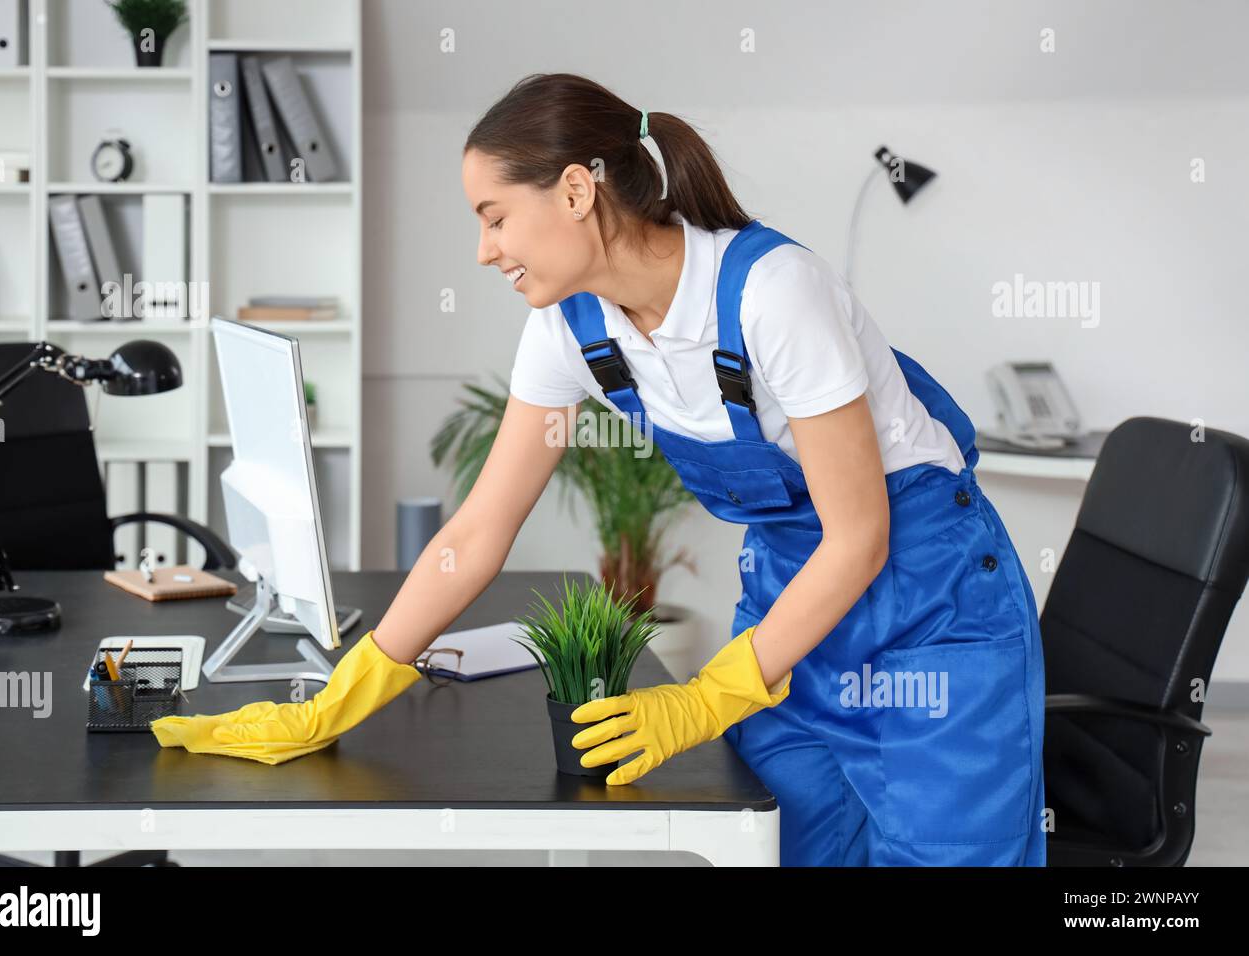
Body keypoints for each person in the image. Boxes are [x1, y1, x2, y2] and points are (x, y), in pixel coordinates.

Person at [152, 73, 1046, 867]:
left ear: (576, 190)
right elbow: (477, 530)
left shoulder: (775, 292)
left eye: (494, 216)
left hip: (931, 612)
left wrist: (705, 697)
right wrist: (341, 696)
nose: (484, 250)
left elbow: (859, 537)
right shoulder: (570, 329)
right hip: (793, 609)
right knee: (796, 845)